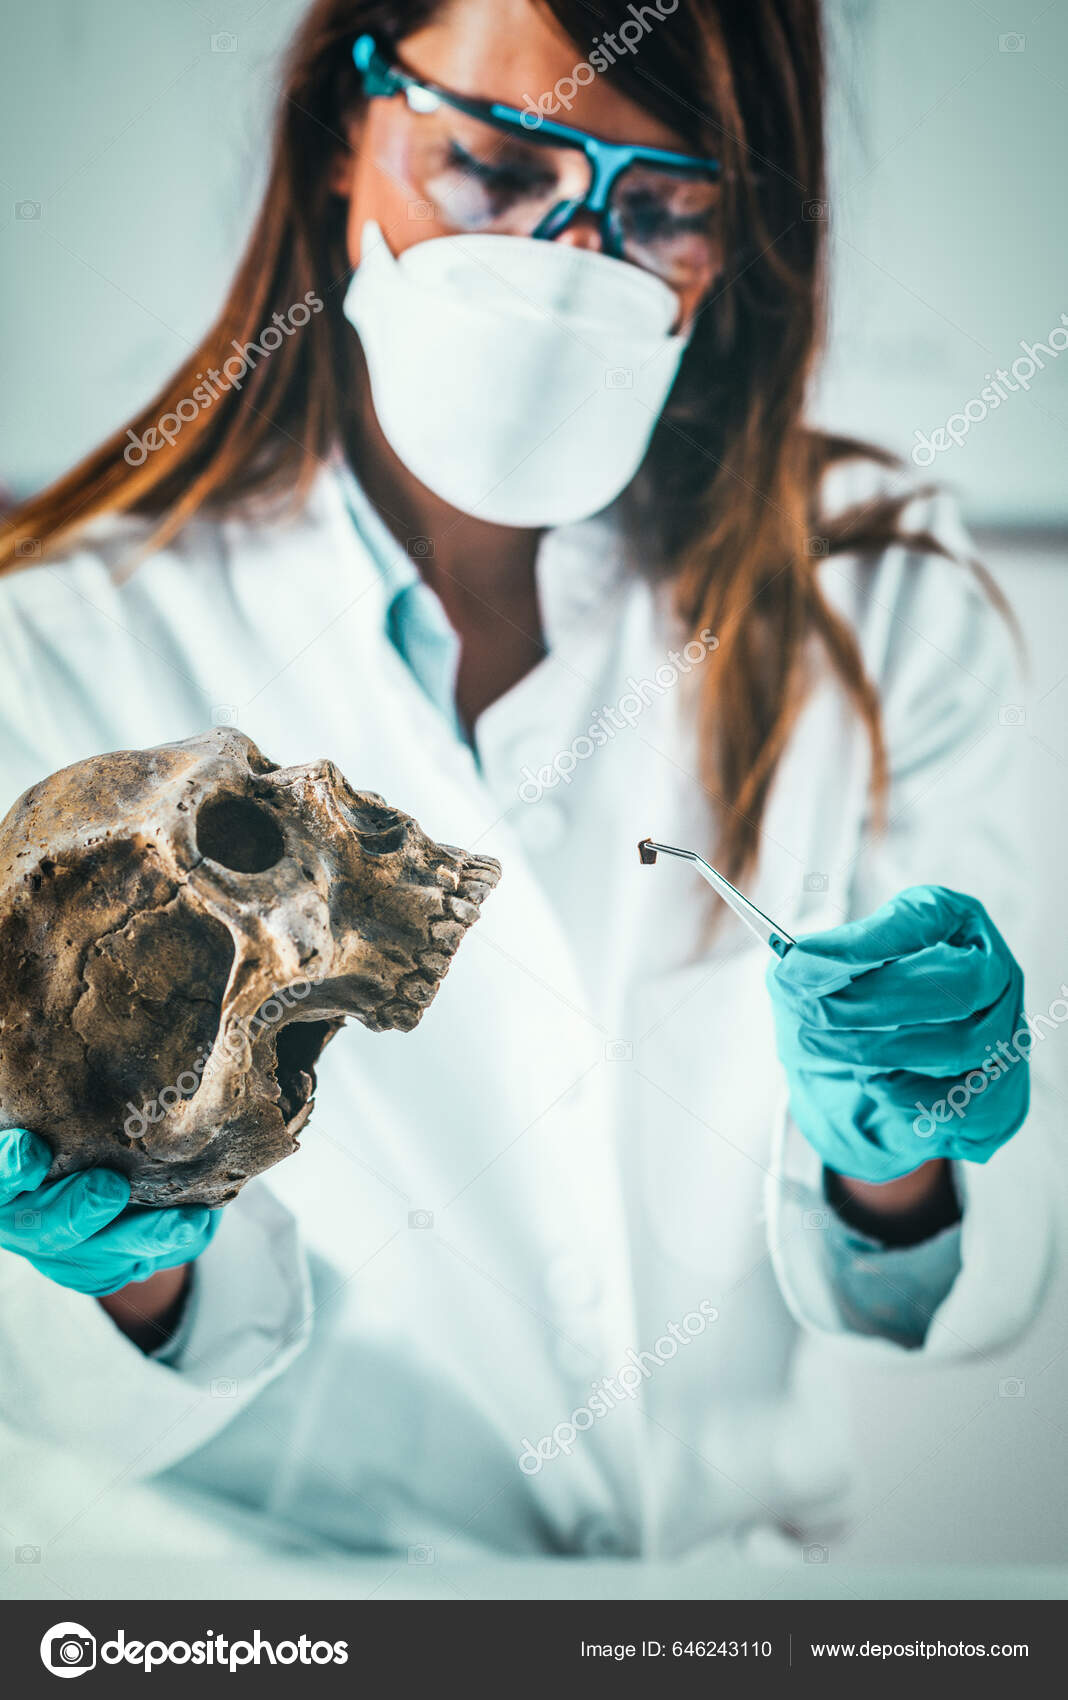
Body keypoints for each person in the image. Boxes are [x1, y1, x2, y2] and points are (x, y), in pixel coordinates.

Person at [0, 0, 1051, 1560]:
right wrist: (139, 1266)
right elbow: (46, 1367)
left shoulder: (875, 589)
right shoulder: (52, 645)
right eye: (489, 165)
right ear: (342, 126)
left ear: (734, 244)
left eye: (661, 207)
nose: (568, 272)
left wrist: (895, 1151)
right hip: (274, 1608)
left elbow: (961, 1284)